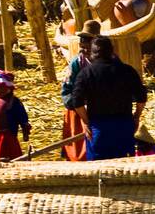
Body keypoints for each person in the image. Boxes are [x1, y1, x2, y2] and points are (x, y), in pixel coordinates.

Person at [68, 35, 148, 161]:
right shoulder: (127, 71)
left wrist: (86, 121)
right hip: (124, 127)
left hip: (98, 129)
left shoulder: (86, 73)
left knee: (99, 171)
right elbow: (141, 97)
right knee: (125, 169)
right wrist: (136, 116)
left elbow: (76, 101)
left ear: (92, 53)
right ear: (112, 51)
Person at [58, 20, 101, 160]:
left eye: (87, 46)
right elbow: (66, 90)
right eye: (81, 46)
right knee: (78, 151)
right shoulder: (77, 63)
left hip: (101, 108)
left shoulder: (108, 60)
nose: (83, 50)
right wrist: (79, 106)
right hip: (79, 109)